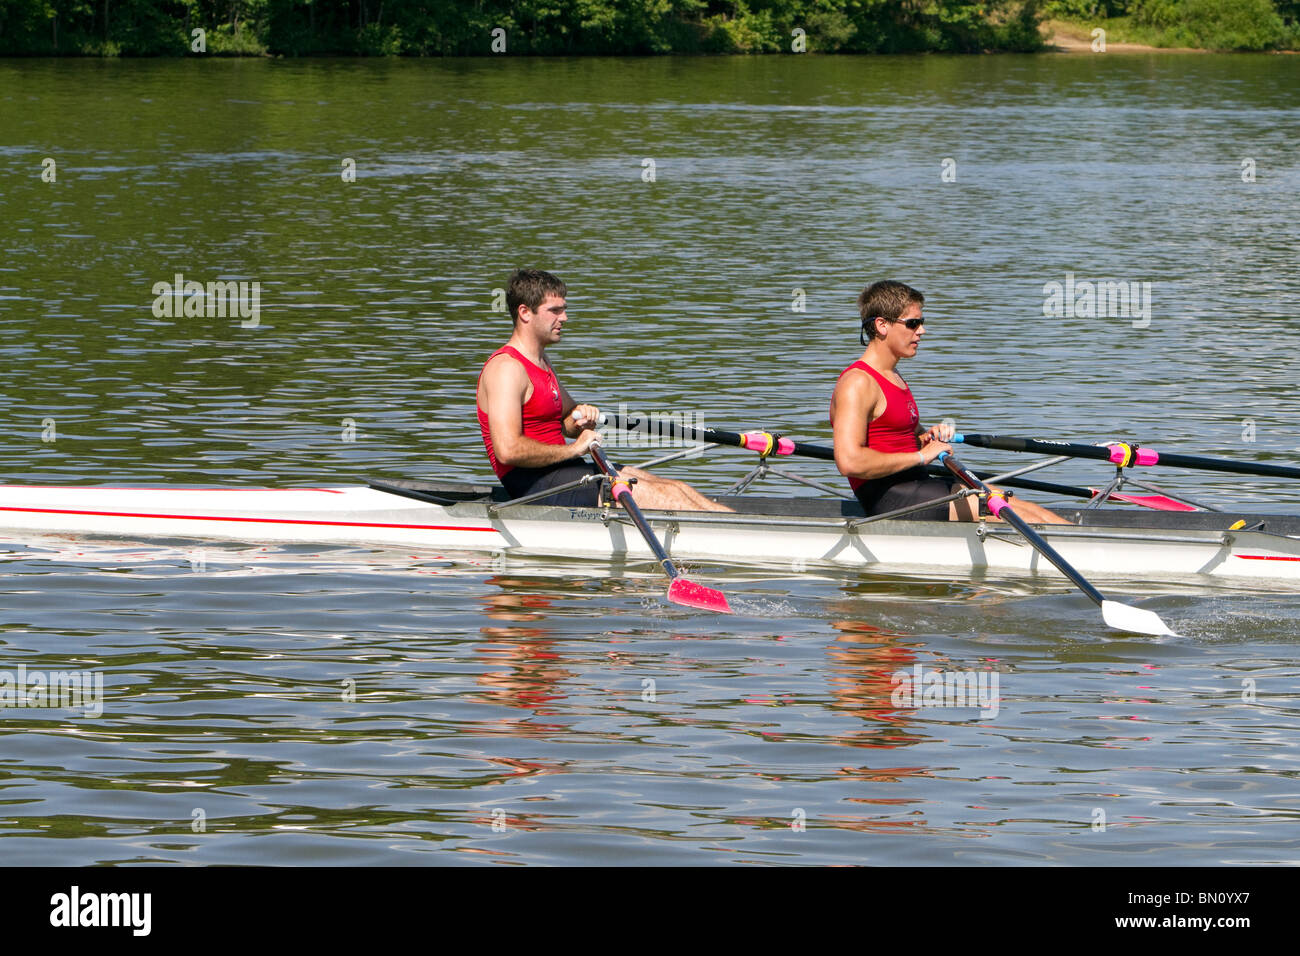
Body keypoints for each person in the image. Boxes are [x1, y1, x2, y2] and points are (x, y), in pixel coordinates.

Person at [477, 269, 732, 512]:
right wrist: (574, 449)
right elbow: (508, 450)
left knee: (677, 488)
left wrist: (579, 418)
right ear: (525, 312)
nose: (564, 318)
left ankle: (740, 529)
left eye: (564, 309)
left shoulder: (540, 362)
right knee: (669, 499)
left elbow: (566, 419)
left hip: (565, 472)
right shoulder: (506, 369)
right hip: (535, 488)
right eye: (554, 311)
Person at [830, 280, 1067, 524]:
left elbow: (894, 437)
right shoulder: (857, 382)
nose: (922, 330)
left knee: (1029, 510)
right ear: (882, 325)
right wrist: (922, 457)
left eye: (921, 323)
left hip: (918, 485)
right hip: (889, 499)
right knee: (1023, 518)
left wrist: (926, 437)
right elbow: (850, 461)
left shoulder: (892, 375)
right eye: (913, 323)